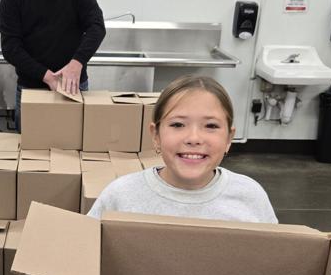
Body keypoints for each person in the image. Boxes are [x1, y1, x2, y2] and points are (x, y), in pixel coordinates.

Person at [88, 75, 277, 223]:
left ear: (229, 138)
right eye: (178, 125)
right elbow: (87, 251)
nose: (193, 138)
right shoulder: (121, 195)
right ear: (156, 135)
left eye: (211, 126)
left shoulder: (250, 196)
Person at [0, 0, 105, 128]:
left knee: (75, 147)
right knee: (29, 151)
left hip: (73, 87)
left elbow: (96, 26)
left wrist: (77, 63)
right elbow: (10, 47)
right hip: (31, 89)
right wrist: (46, 76)